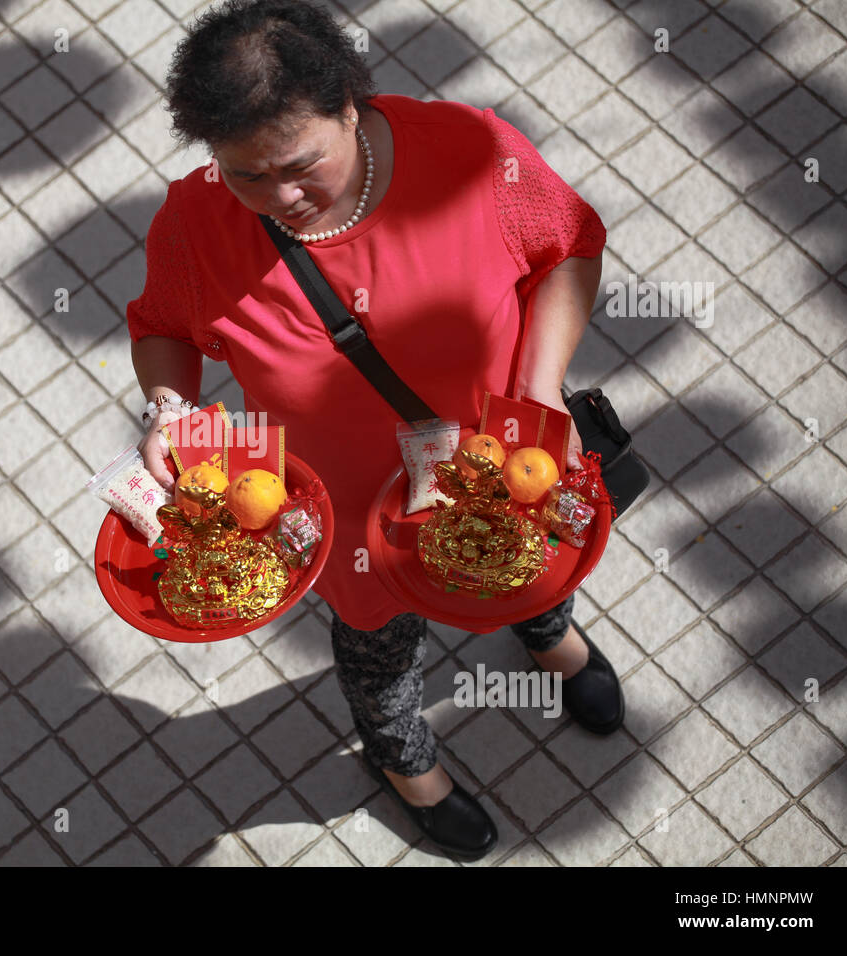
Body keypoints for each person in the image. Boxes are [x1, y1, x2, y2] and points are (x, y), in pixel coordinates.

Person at [125, 0, 625, 861]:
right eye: (245, 174)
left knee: (526, 559)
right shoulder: (197, 219)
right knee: (377, 639)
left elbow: (569, 247)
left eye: (298, 165)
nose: (277, 198)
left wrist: (541, 394)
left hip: (501, 451)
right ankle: (407, 764)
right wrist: (169, 408)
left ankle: (552, 636)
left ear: (352, 106)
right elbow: (163, 326)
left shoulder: (472, 154)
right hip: (345, 499)